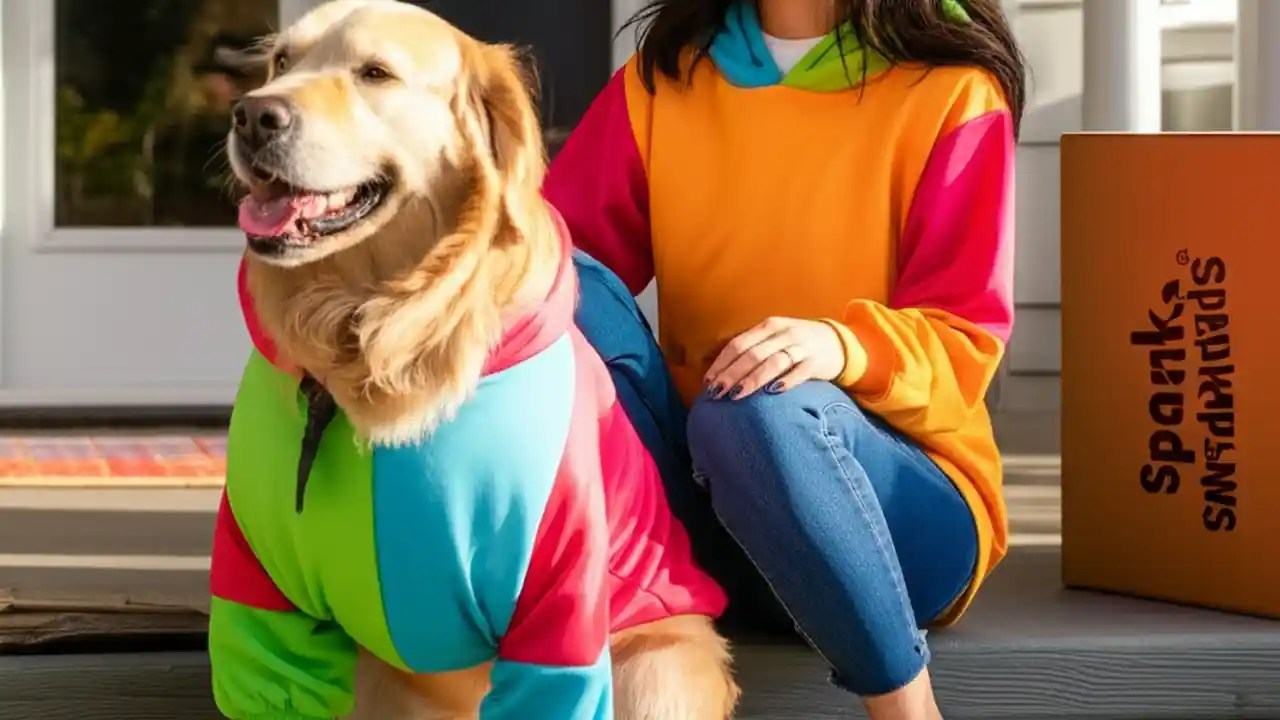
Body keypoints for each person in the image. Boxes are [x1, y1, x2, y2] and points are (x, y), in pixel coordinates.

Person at [543, 0, 1022, 718]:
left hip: (899, 524)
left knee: (755, 411)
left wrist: (840, 345)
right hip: (707, 514)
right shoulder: (661, 80)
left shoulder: (952, 89)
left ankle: (909, 707)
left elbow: (965, 337)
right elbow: (539, 266)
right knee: (549, 273)